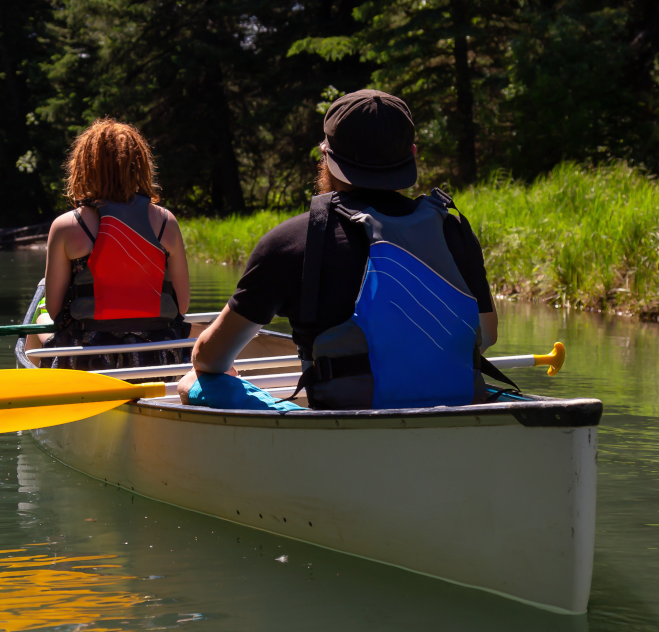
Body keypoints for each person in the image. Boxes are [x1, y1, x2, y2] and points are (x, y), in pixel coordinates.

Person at [178, 89, 503, 410]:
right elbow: (485, 336)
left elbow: (211, 358)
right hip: (455, 408)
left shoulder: (292, 239)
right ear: (412, 153)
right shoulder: (454, 229)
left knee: (193, 380)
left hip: (344, 423)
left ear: (326, 155)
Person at [30, 119, 192, 371]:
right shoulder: (165, 222)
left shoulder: (66, 226)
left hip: (88, 360)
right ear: (139, 167)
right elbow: (182, 305)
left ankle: (40, 392)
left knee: (38, 317)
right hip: (158, 355)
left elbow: (54, 309)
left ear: (85, 167)